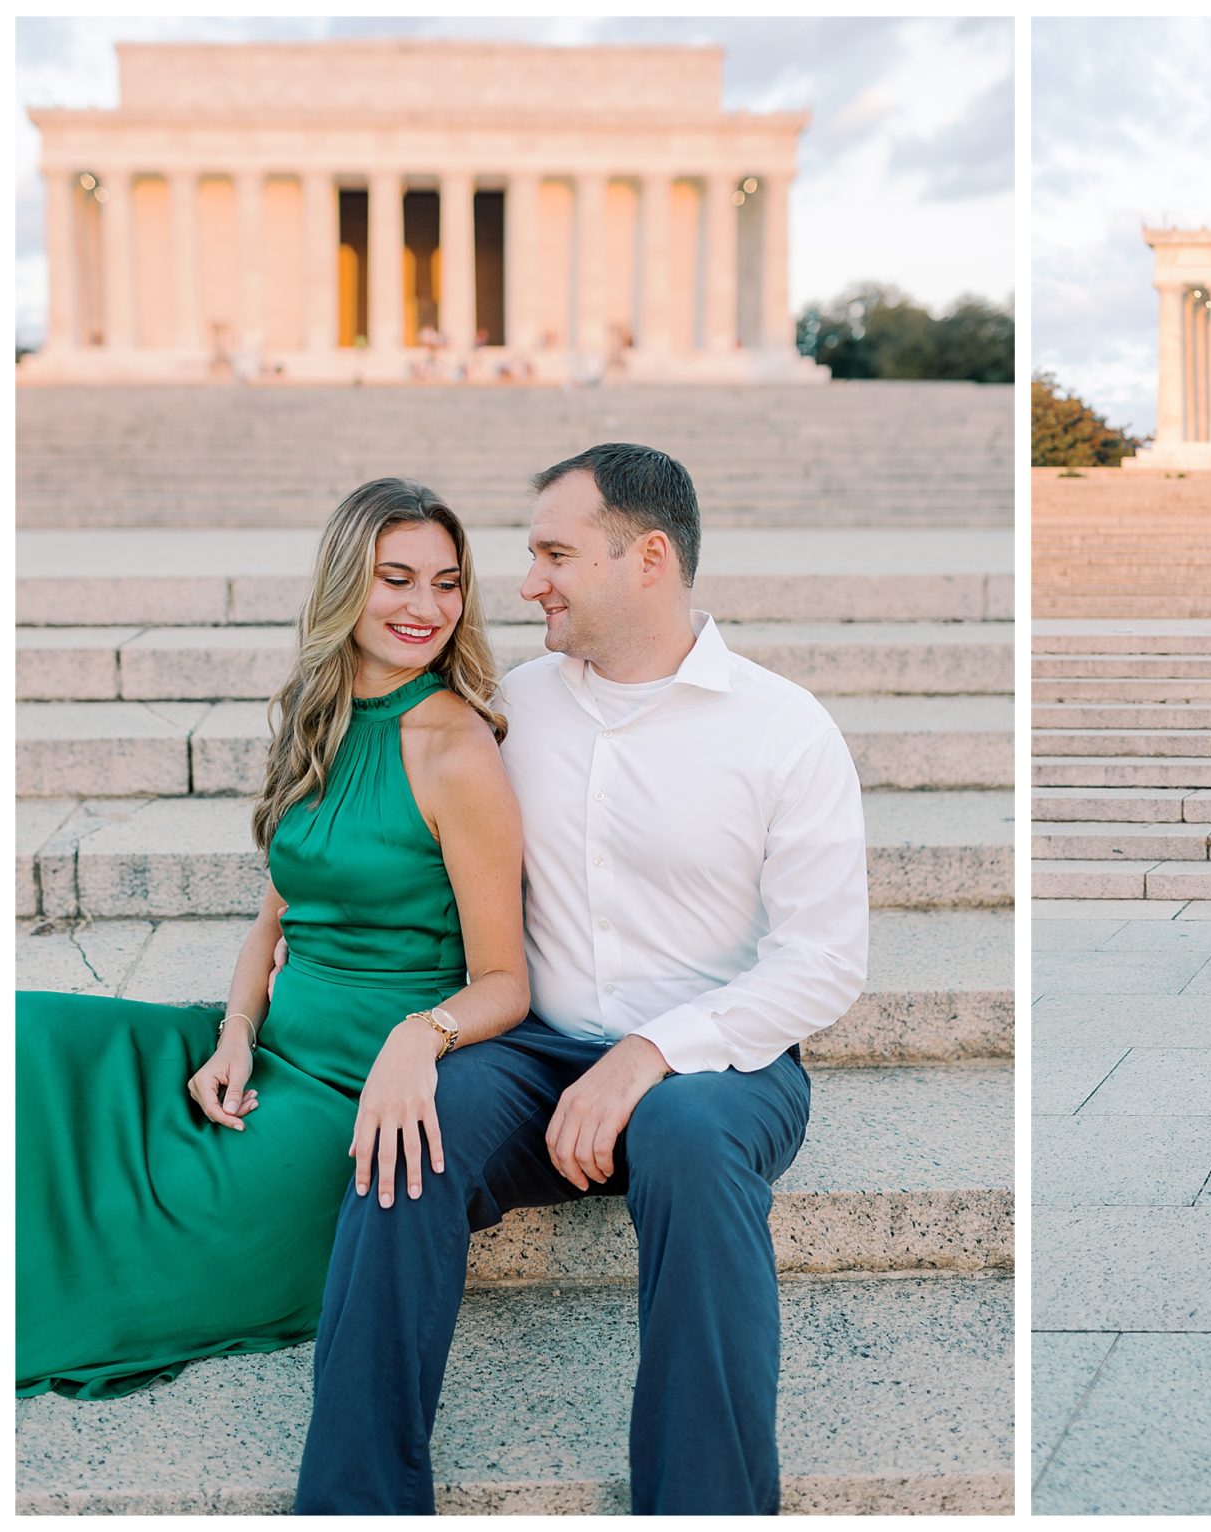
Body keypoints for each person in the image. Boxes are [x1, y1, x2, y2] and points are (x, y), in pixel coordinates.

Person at [293, 443, 869, 1515]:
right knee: (407, 1130)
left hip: (719, 1070)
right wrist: (397, 1022)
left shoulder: (781, 726)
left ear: (646, 557)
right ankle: (354, 1499)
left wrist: (652, 1054)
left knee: (690, 1140)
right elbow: (371, 822)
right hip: (534, 1060)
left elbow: (824, 959)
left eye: (555, 552)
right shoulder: (513, 708)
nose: (527, 582)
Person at [16, 480, 527, 1399]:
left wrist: (423, 1036)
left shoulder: (457, 751)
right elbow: (274, 914)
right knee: (31, 1040)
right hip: (268, 1045)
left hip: (361, 1096)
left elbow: (503, 981)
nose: (426, 608)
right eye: (396, 578)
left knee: (160, 1211)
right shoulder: (316, 714)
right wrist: (234, 1037)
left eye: (447, 583)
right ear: (344, 584)